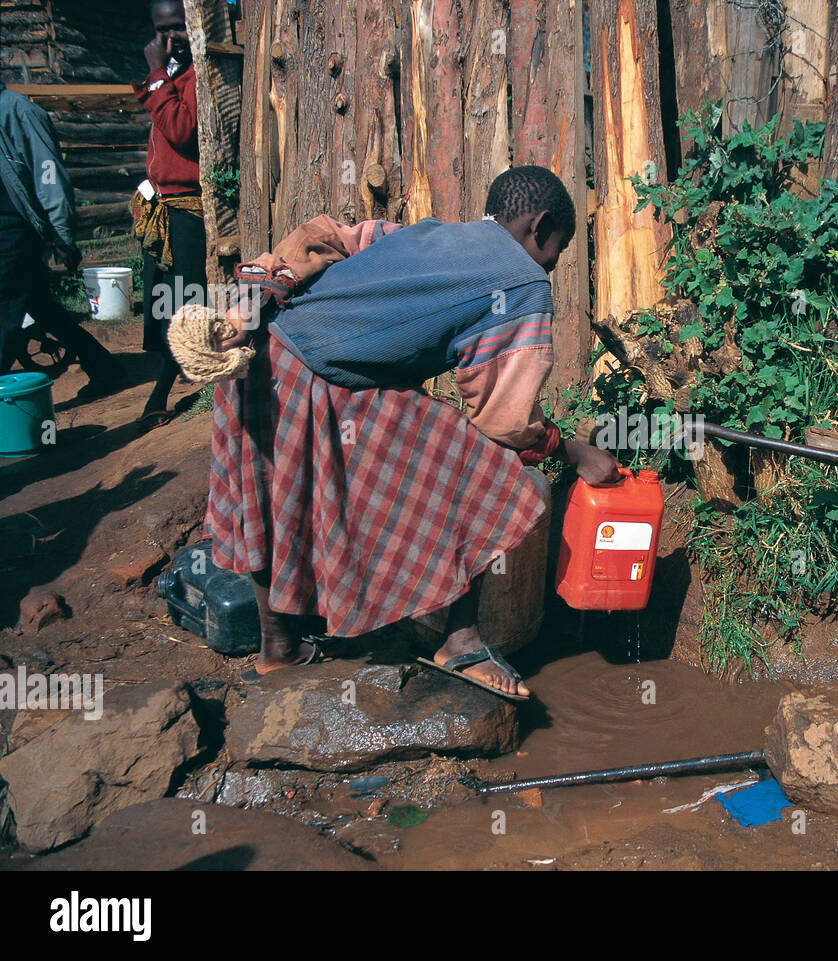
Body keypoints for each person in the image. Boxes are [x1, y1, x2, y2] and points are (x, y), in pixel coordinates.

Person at [207, 166, 621, 699]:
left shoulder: (428, 232)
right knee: (493, 472)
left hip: (260, 357)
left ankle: (279, 649)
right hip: (321, 381)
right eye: (559, 250)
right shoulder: (521, 280)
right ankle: (461, 640)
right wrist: (573, 451)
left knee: (268, 499)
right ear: (539, 228)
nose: (553, 264)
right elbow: (504, 422)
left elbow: (330, 235)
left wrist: (272, 277)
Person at [0, 82, 123, 397]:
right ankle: (103, 365)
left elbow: (49, 173)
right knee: (39, 306)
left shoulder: (18, 110)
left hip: (14, 232)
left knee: (6, 313)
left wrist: (61, 235)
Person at [130, 0, 206, 432]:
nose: (170, 40)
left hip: (188, 210)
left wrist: (157, 74)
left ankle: (161, 392)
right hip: (163, 208)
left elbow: (181, 130)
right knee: (162, 308)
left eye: (178, 29)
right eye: (162, 31)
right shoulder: (175, 75)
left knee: (184, 304)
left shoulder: (199, 78)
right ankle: (162, 386)